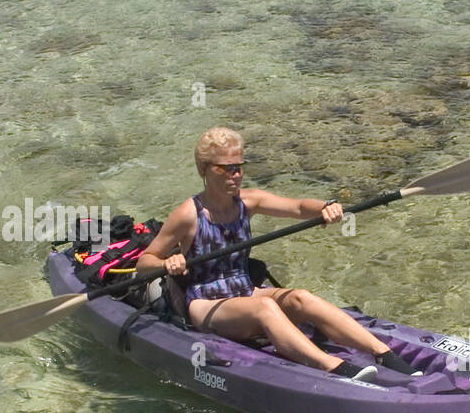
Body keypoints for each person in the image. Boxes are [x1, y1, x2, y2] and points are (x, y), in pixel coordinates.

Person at [136, 127, 419, 379]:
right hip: (206, 303)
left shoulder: (248, 201)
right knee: (265, 307)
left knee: (300, 298)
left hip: (243, 290)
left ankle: (383, 353)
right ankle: (331, 366)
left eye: (239, 167)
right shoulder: (188, 214)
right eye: (226, 169)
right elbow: (144, 263)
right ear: (204, 169)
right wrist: (168, 262)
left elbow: (297, 207)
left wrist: (326, 206)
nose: (235, 175)